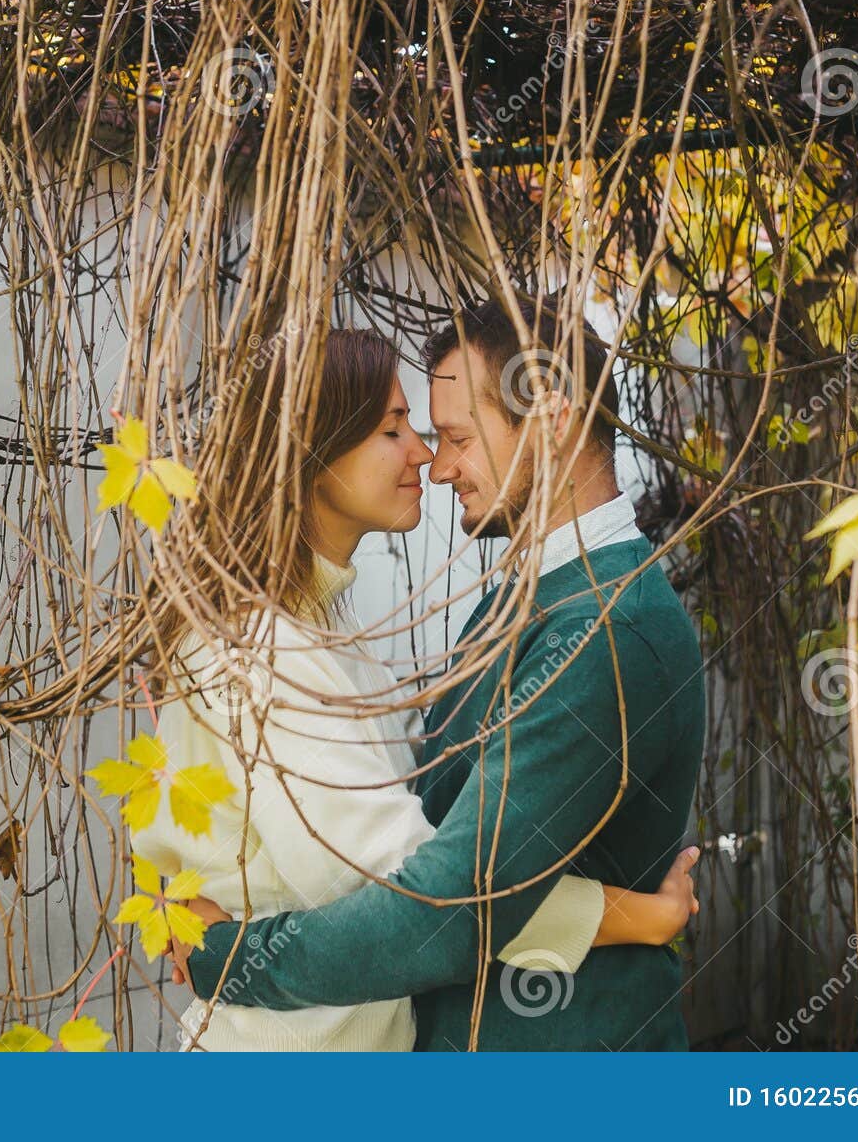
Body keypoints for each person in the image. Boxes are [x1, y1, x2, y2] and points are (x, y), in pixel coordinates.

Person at [134, 325, 700, 1051]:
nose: (431, 462)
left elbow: (437, 890)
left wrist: (226, 957)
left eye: (449, 436)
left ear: (553, 420)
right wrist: (634, 915)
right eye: (394, 429)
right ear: (309, 453)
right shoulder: (260, 645)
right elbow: (417, 887)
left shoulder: (600, 622)